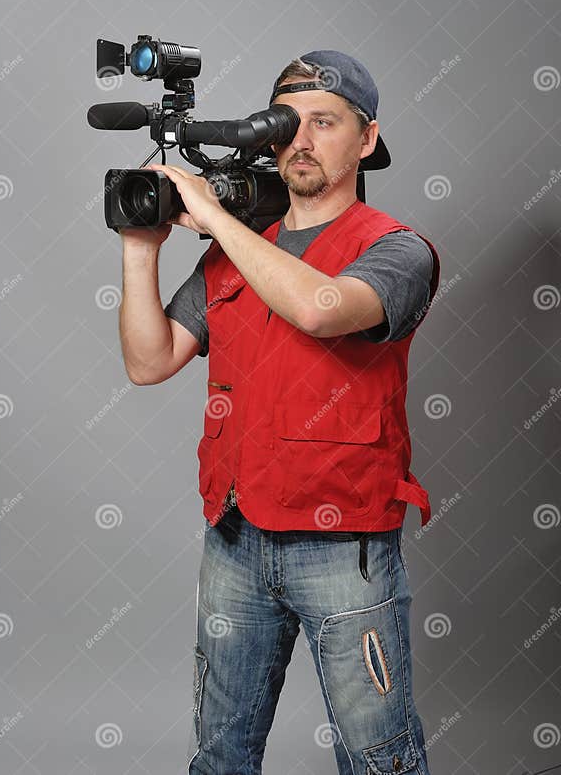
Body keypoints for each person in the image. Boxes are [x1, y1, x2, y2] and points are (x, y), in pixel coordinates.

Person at [119, 49, 440, 775]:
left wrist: (213, 216)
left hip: (342, 545)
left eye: (324, 122)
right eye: (287, 123)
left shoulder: (396, 249)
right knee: (220, 753)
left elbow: (319, 308)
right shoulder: (236, 252)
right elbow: (149, 361)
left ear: (366, 139)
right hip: (235, 534)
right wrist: (141, 249)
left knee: (379, 758)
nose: (301, 139)